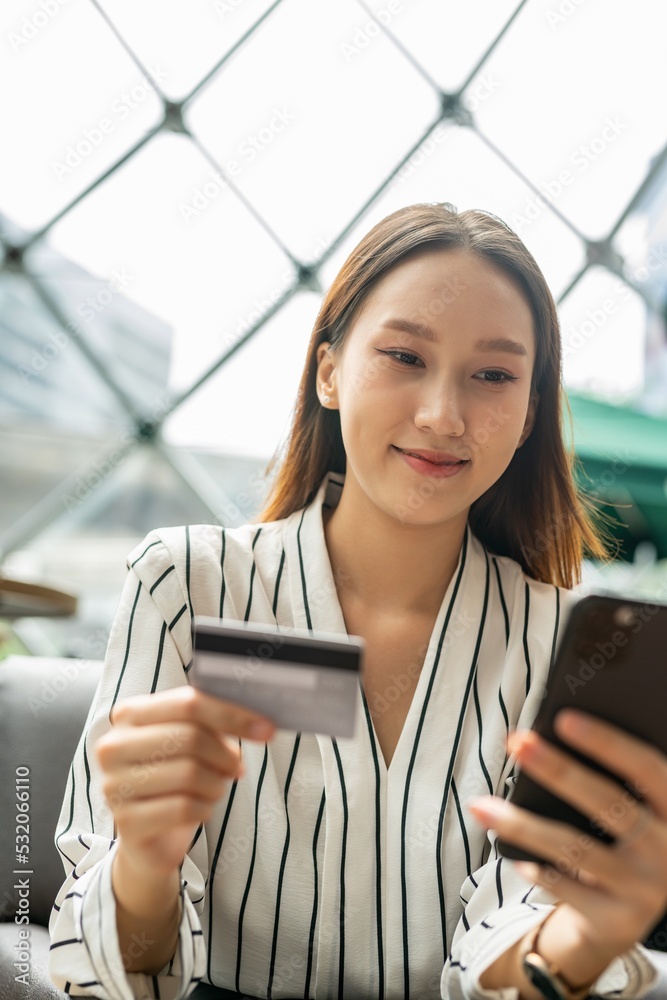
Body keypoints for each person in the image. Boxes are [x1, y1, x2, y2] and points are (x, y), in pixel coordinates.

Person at [48, 202, 667, 1000]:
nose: (442, 415)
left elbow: (520, 931)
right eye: (404, 356)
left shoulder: (557, 642)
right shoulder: (187, 586)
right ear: (328, 372)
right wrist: (143, 860)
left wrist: (582, 939)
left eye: (492, 375)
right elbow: (105, 960)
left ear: (526, 415)